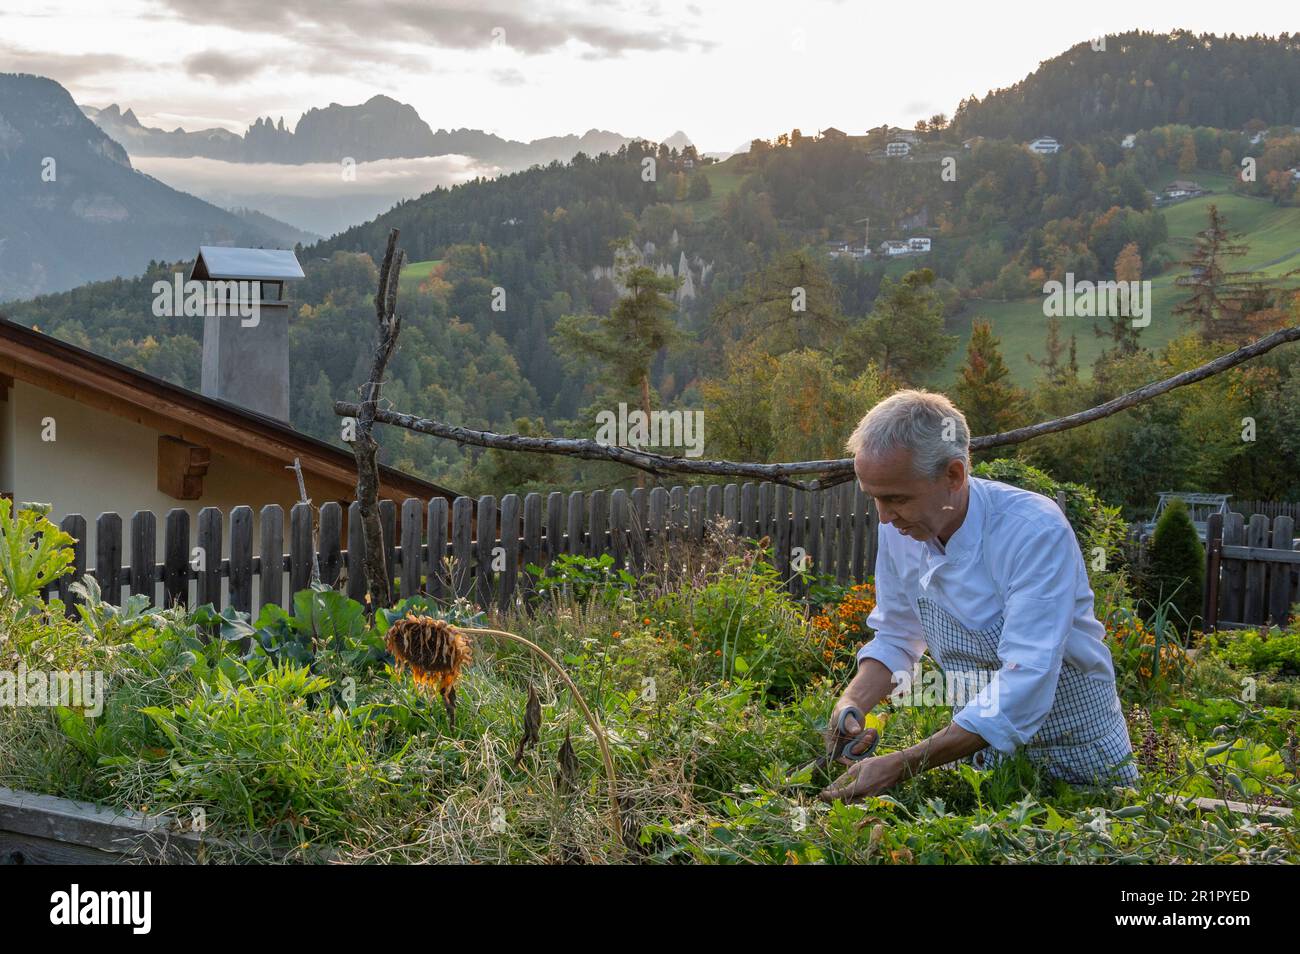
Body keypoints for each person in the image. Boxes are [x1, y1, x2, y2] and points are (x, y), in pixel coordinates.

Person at [819, 389, 1137, 803]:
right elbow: (898, 635)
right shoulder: (899, 529)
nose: (882, 515)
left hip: (1077, 760)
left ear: (954, 474)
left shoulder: (1032, 530)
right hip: (976, 760)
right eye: (874, 497)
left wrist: (902, 764)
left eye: (896, 498)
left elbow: (1027, 675)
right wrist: (851, 704)